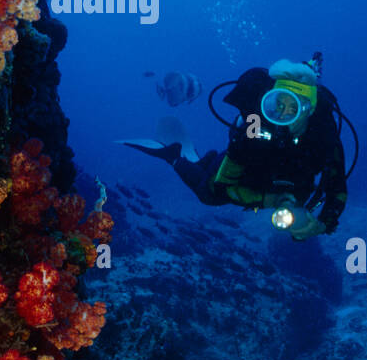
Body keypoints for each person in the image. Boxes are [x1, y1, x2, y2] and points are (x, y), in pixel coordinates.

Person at [125, 58, 348, 241]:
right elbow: (221, 187)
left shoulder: (325, 136)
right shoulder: (255, 127)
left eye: (293, 108)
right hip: (250, 174)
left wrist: (322, 225)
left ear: (309, 109)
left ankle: (206, 161)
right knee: (208, 195)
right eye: (277, 104)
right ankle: (174, 157)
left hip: (293, 186)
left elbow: (337, 188)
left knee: (298, 217)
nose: (282, 116)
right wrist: (270, 200)